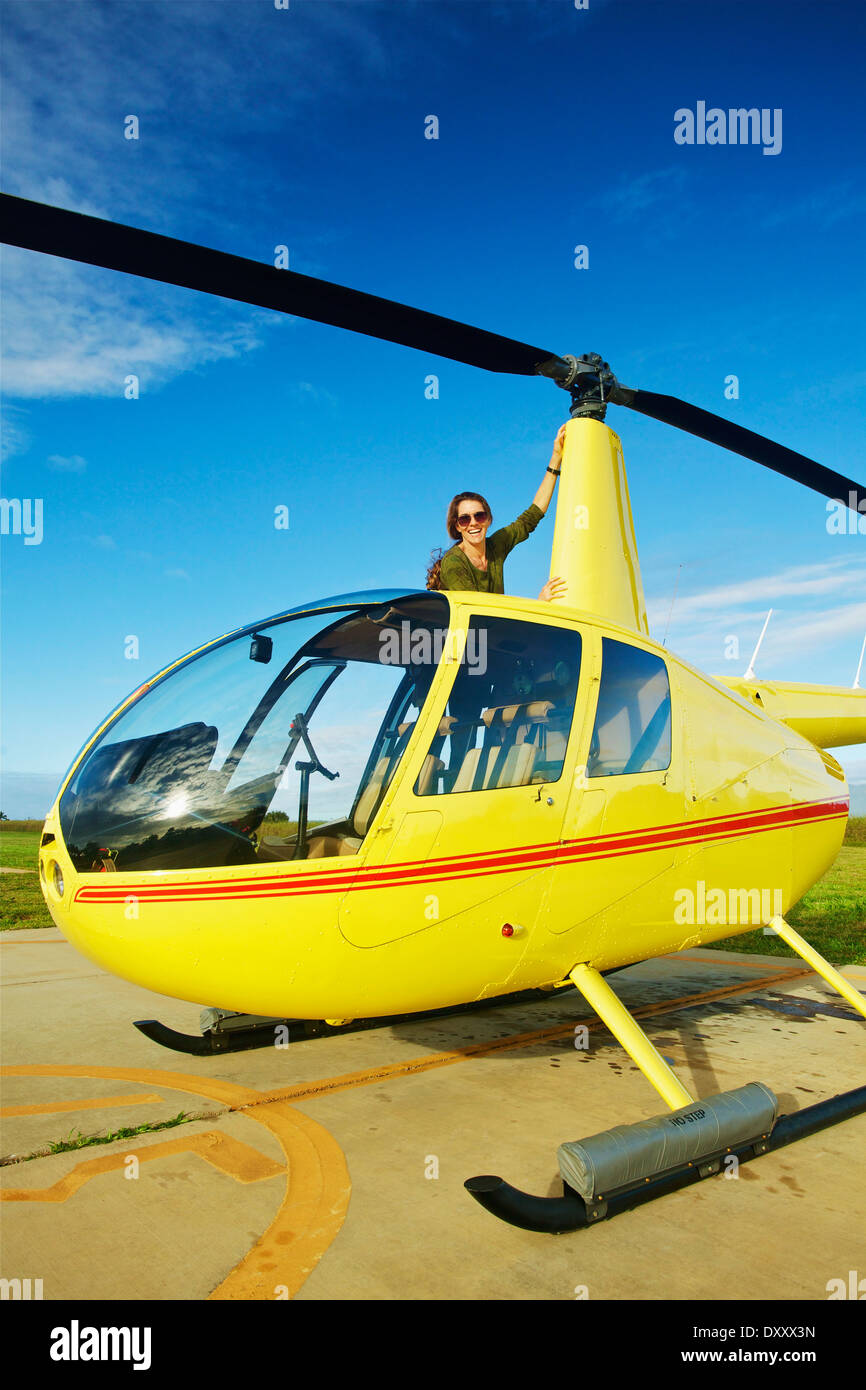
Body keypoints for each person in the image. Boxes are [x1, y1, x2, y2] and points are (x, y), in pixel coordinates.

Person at [426, 425, 568, 600]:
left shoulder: (496, 547)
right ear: (457, 526)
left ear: (488, 520)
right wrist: (538, 604)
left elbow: (532, 516)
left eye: (479, 515)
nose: (473, 523)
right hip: (469, 628)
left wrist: (556, 458)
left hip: (489, 626)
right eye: (464, 519)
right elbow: (478, 616)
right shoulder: (454, 563)